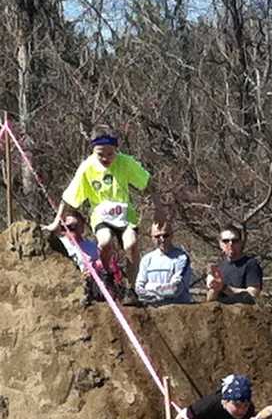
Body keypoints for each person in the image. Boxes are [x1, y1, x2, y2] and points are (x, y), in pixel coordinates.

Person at [48, 124, 152, 300]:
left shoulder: (126, 162)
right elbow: (69, 196)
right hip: (102, 214)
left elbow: (147, 183)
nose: (105, 158)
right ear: (93, 150)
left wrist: (160, 210)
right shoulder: (86, 167)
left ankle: (131, 289)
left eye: (110, 154)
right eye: (100, 154)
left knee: (131, 244)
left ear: (116, 150)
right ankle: (107, 273)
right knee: (104, 242)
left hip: (125, 215)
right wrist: (57, 221)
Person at [54, 207, 107, 306]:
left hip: (91, 284)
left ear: (82, 226)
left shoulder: (91, 246)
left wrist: (95, 267)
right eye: (68, 227)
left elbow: (101, 264)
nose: (72, 229)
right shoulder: (59, 244)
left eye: (75, 226)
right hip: (69, 282)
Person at [134, 217, 193, 306]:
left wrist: (149, 287)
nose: (162, 239)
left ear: (172, 235)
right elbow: (138, 289)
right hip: (153, 310)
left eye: (165, 235)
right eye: (157, 236)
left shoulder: (182, 258)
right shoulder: (146, 259)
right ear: (152, 237)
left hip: (177, 312)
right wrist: (162, 291)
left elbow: (175, 289)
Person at [206, 224, 263, 304]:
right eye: (226, 241)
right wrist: (214, 288)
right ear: (220, 244)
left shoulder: (250, 264)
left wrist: (224, 288)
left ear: (240, 243)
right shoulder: (219, 266)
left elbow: (253, 294)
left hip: (243, 313)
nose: (230, 244)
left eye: (234, 241)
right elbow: (210, 300)